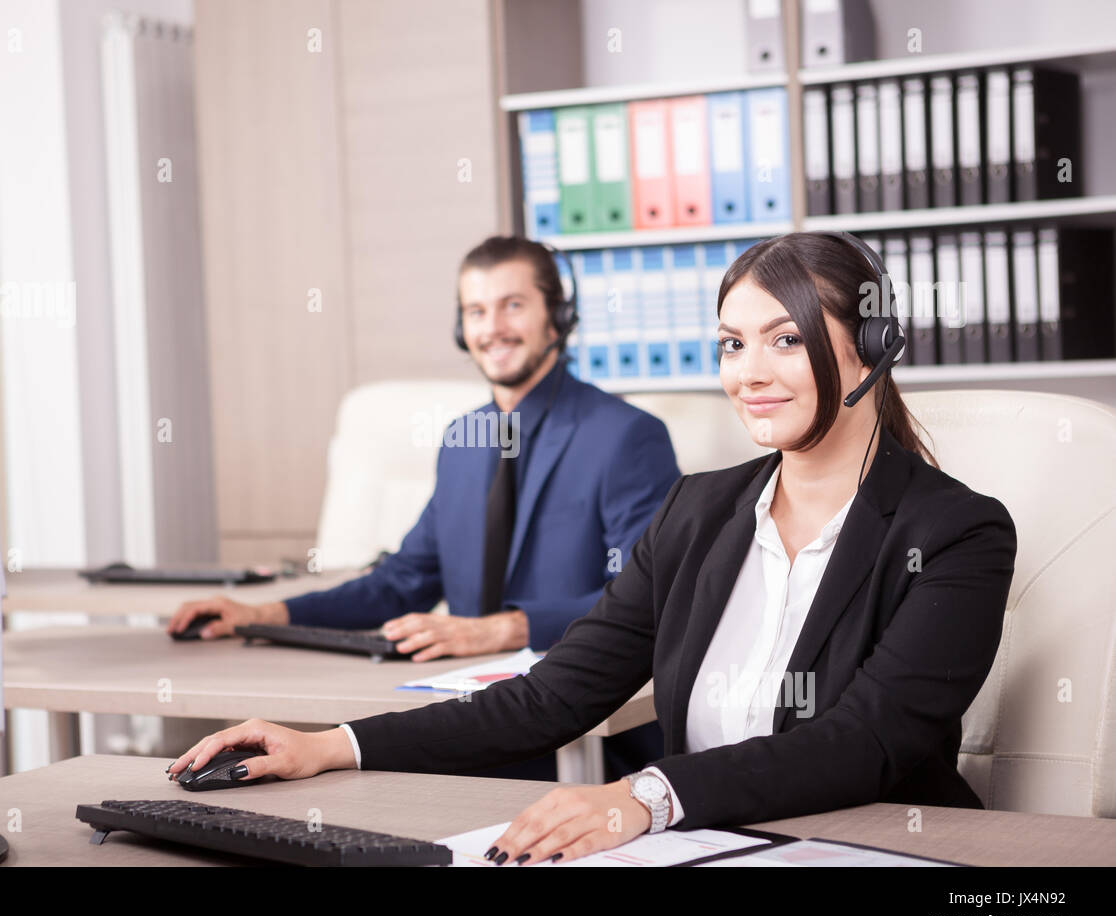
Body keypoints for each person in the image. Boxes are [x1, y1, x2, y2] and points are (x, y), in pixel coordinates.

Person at [167, 231, 1017, 864]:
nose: (747, 373)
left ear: (870, 347)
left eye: (784, 339)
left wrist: (646, 797)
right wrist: (329, 746)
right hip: (702, 844)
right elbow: (551, 699)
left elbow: (867, 741)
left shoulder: (955, 533)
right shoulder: (700, 512)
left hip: (873, 848)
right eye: (731, 342)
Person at [169, 235, 680, 781]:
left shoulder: (626, 436)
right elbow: (402, 580)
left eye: (513, 305)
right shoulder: (464, 440)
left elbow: (648, 598)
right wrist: (262, 615)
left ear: (557, 314)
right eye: (476, 311)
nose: (492, 328)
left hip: (587, 738)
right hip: (470, 719)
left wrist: (502, 629)